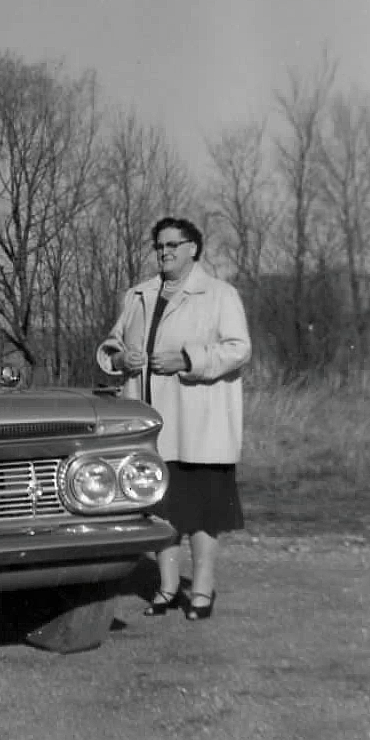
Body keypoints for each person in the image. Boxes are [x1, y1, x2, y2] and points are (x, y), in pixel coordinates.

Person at [96, 216, 251, 621]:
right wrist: (118, 358)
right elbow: (110, 346)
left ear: (193, 249)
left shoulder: (219, 295)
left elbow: (238, 349)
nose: (164, 252)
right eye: (159, 246)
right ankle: (165, 588)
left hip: (200, 424)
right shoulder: (138, 296)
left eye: (173, 245)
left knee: (201, 512)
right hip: (151, 426)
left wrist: (187, 358)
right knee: (159, 510)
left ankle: (201, 590)